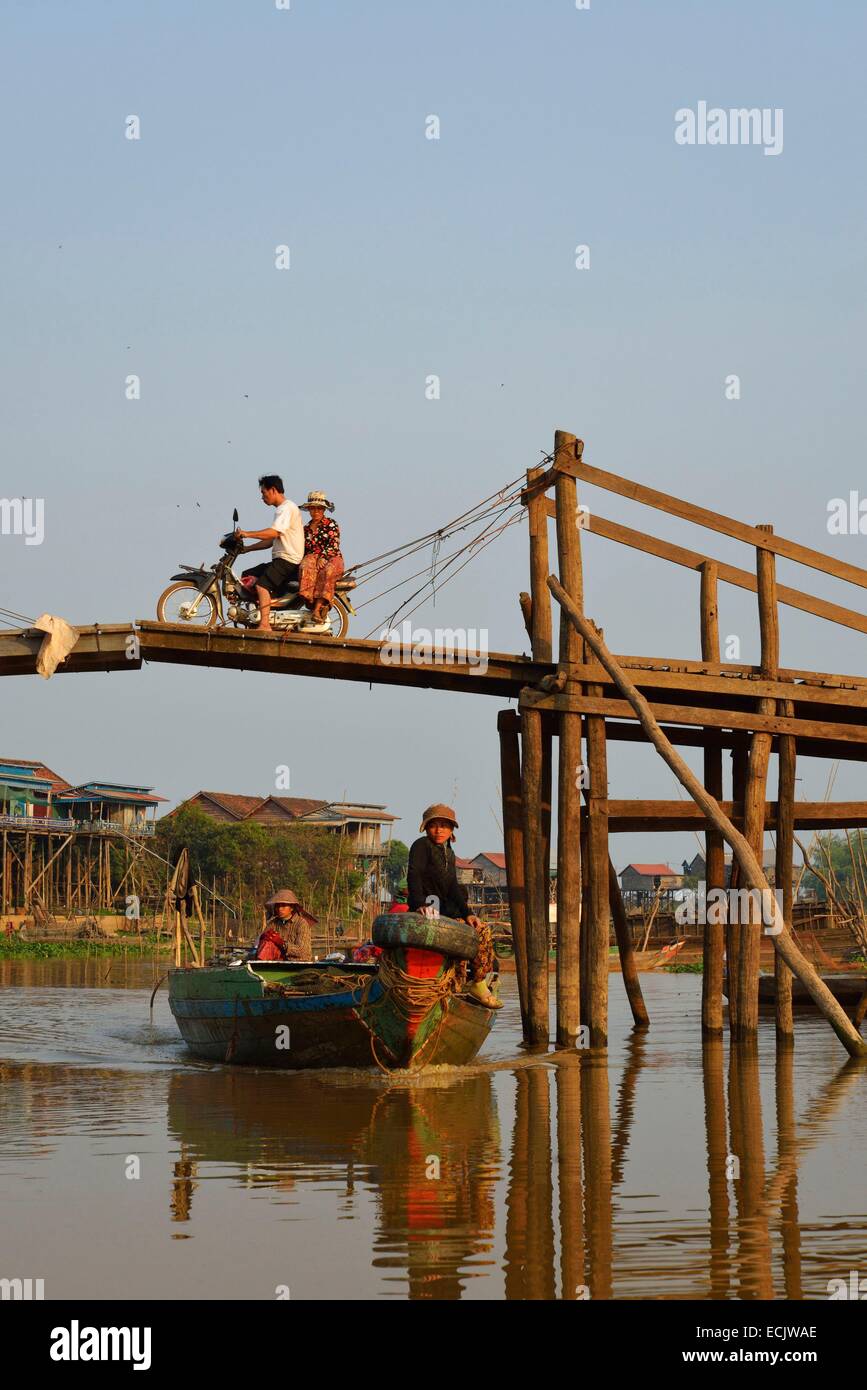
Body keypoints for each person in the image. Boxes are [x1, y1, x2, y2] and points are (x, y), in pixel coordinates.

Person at [407, 804, 502, 1009]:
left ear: (451, 830)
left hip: (446, 912)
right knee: (474, 934)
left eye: (444, 826)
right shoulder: (421, 846)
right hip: (427, 911)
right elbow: (414, 875)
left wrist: (468, 913)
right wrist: (420, 904)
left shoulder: (449, 853)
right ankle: (470, 985)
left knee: (480, 929)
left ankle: (474, 983)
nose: (439, 830)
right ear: (426, 828)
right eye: (434, 825)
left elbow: (452, 886)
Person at [235, 475, 305, 633]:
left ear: (273, 490)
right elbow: (270, 540)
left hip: (288, 560)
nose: (262, 497)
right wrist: (247, 549)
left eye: (263, 492)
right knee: (248, 574)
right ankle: (259, 614)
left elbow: (273, 533)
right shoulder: (283, 509)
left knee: (262, 585)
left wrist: (247, 534)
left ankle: (265, 624)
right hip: (282, 559)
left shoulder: (286, 508)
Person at [297, 490, 344, 630]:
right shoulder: (305, 529)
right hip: (312, 557)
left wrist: (323, 557)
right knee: (305, 566)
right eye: (313, 508)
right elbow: (303, 549)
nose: (316, 511)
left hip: (332, 557)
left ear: (324, 510)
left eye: (319, 508)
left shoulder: (331, 524)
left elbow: (334, 544)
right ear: (309, 510)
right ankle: (311, 603)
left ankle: (317, 609)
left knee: (327, 571)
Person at [251, 889, 317, 961]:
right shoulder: (273, 923)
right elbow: (258, 944)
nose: (280, 909)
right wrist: (263, 937)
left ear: (291, 908)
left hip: (298, 962)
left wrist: (282, 943)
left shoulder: (301, 923)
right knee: (266, 943)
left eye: (283, 906)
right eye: (278, 906)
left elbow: (303, 951)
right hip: (278, 961)